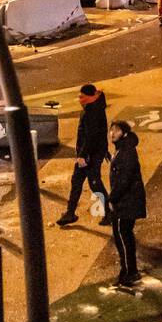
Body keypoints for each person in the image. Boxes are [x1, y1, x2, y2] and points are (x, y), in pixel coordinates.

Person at [57, 84, 111, 228]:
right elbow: (100, 132)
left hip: (89, 155)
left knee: (94, 183)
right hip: (92, 152)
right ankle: (70, 213)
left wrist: (82, 155)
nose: (79, 99)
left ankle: (109, 212)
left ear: (90, 97)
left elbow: (91, 137)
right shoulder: (96, 106)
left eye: (82, 97)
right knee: (77, 182)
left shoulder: (91, 112)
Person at [108, 120, 146, 286]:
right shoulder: (123, 149)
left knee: (122, 235)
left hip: (126, 202)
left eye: (116, 131)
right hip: (127, 200)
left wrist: (112, 199)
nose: (112, 134)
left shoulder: (126, 152)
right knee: (125, 234)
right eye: (111, 131)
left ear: (123, 133)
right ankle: (131, 270)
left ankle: (128, 272)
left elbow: (124, 180)